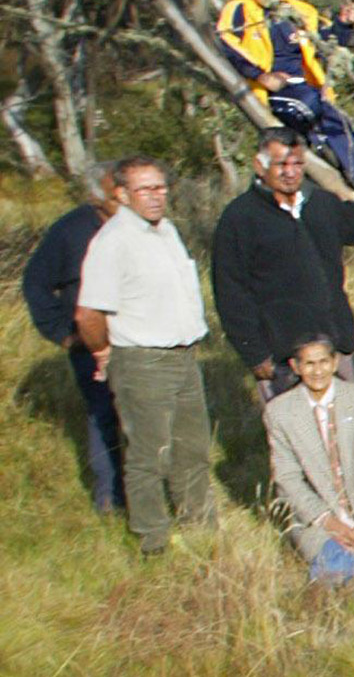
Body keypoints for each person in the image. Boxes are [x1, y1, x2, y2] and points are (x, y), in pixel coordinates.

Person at [73, 156, 214, 556]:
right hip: (142, 360)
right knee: (148, 455)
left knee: (192, 448)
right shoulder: (113, 240)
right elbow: (87, 312)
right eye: (145, 189)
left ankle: (200, 527)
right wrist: (103, 351)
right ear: (121, 194)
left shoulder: (166, 230)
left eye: (161, 187)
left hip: (184, 356)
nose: (156, 196)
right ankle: (153, 541)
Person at [212, 128, 354, 403]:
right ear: (260, 165)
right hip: (284, 356)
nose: (291, 172)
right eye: (281, 164)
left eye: (297, 164)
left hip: (334, 345)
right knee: (298, 435)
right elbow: (230, 292)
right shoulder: (240, 218)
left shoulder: (319, 203)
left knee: (346, 428)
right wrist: (255, 354)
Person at [216, 0, 354, 192]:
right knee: (308, 107)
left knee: (344, 129)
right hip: (273, 93)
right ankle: (316, 149)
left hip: (309, 88)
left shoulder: (299, 10)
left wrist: (343, 24)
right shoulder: (239, 8)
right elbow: (226, 44)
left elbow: (326, 42)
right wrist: (262, 76)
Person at [266, 335, 354, 582]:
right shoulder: (280, 411)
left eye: (323, 362)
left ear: (334, 363)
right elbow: (286, 478)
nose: (317, 371)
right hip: (321, 515)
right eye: (309, 364)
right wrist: (331, 523)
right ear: (296, 367)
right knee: (335, 570)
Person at [22, 173, 125, 513]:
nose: (125, 203)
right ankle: (109, 498)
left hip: (140, 339)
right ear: (99, 197)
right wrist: (63, 333)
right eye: (117, 196)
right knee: (103, 415)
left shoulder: (142, 227)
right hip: (91, 342)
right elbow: (36, 282)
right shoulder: (71, 230)